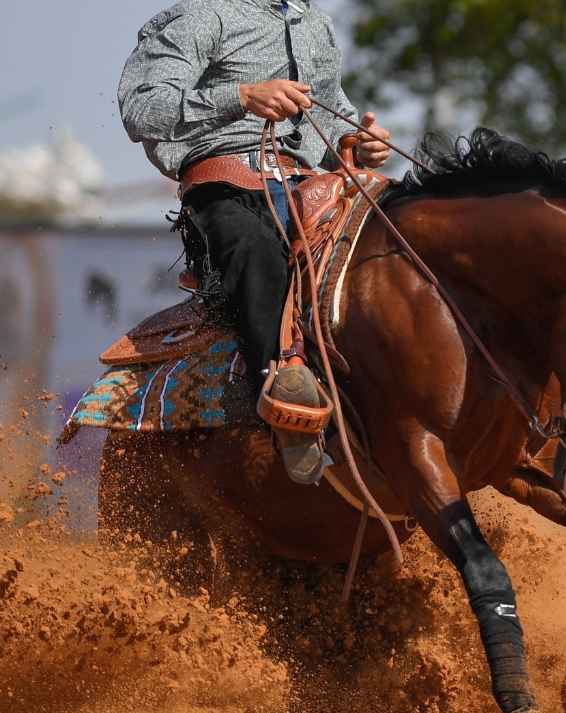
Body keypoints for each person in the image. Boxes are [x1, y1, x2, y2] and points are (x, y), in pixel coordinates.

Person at [118, 0, 391, 484]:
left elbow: (332, 113)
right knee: (257, 252)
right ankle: (282, 393)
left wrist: (359, 139)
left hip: (313, 187)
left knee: (401, 237)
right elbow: (142, 106)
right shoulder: (203, 16)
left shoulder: (315, 21)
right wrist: (240, 96)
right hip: (226, 186)